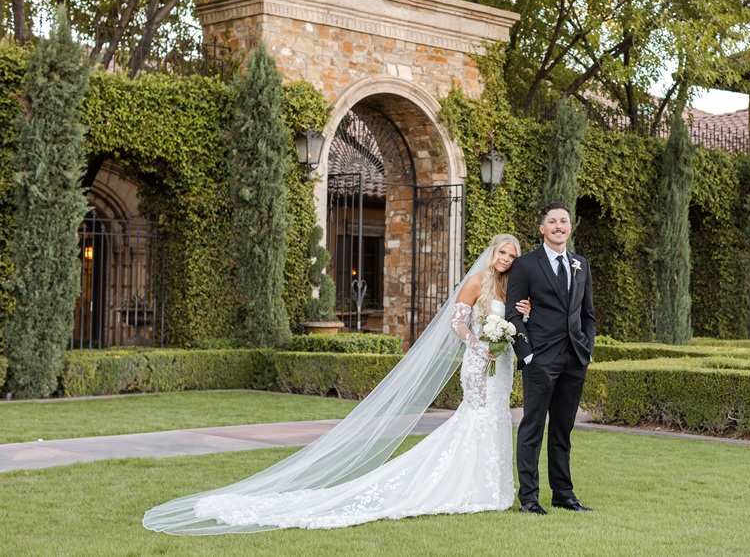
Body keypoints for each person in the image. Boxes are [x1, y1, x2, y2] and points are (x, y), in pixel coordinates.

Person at [143, 234, 529, 534]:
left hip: (504, 363)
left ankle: (490, 490)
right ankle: (464, 488)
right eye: (502, 254)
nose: (506, 260)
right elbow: (456, 322)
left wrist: (518, 319)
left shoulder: (512, 288)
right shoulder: (476, 283)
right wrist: (478, 344)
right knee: (473, 419)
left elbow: (517, 319)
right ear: (492, 253)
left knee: (495, 419)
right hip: (479, 363)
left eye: (512, 256)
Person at [506, 201, 597, 515]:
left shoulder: (580, 264)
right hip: (540, 360)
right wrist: (527, 355)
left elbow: (588, 315)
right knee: (532, 428)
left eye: (565, 221)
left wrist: (587, 349)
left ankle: (563, 494)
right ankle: (529, 499)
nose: (560, 226)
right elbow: (512, 315)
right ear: (542, 228)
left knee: (563, 430)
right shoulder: (526, 265)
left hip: (574, 360)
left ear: (570, 227)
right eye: (553, 222)